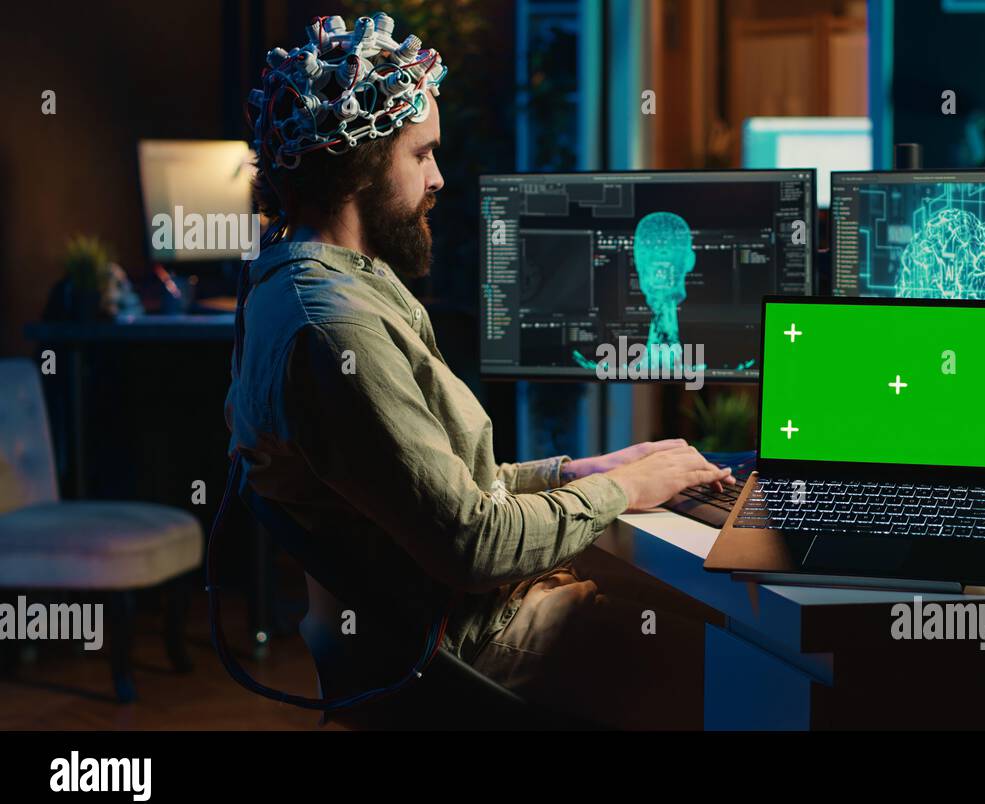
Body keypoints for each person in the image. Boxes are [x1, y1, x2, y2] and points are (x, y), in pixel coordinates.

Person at [227, 13, 733, 728]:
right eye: (422, 154)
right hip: (461, 650)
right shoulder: (333, 329)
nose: (438, 177)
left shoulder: (302, 286)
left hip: (433, 629)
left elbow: (441, 493)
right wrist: (627, 487)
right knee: (742, 661)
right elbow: (473, 543)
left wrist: (585, 469)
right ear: (361, 162)